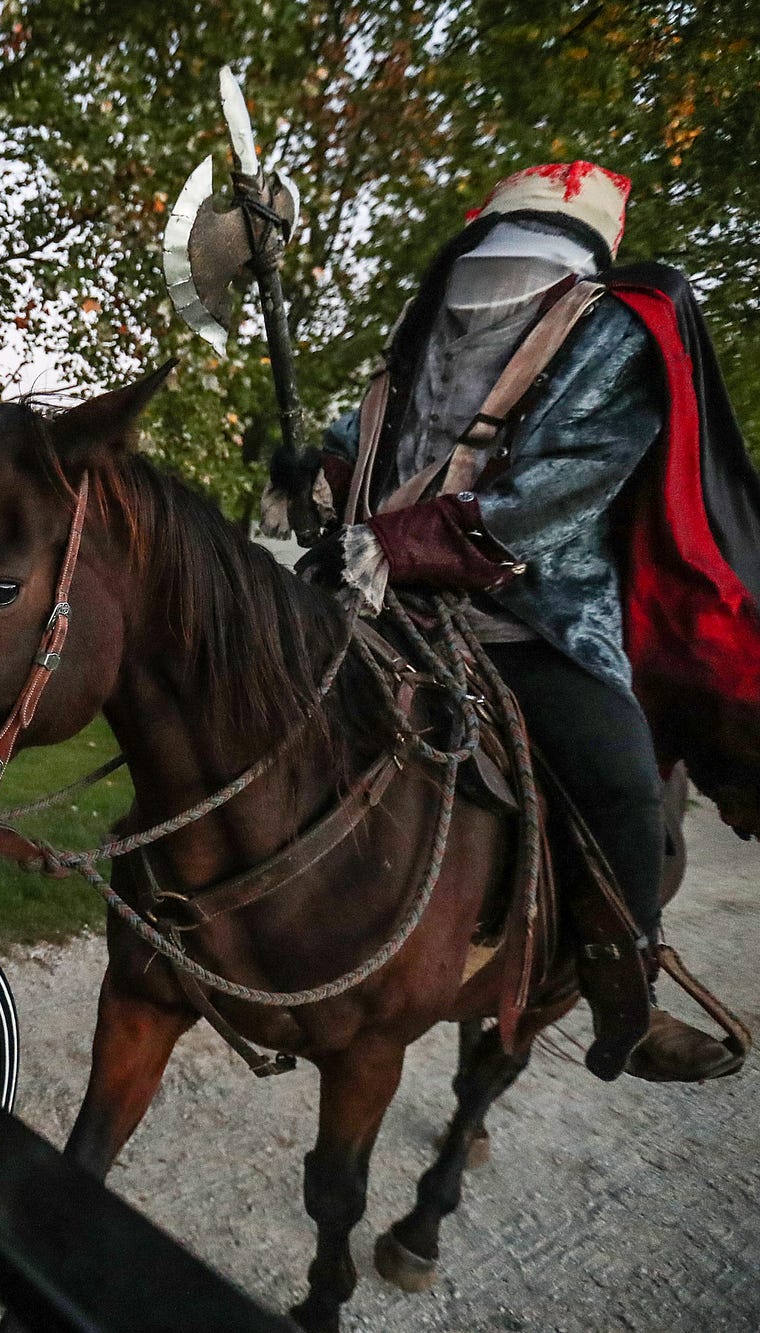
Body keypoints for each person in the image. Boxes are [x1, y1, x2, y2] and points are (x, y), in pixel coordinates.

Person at [289, 162, 759, 1085]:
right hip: (376, 593)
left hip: (534, 621)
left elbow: (563, 483)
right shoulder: (428, 309)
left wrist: (408, 538)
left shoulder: (618, 324)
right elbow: (377, 424)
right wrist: (321, 467)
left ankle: (626, 994)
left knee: (623, 780)